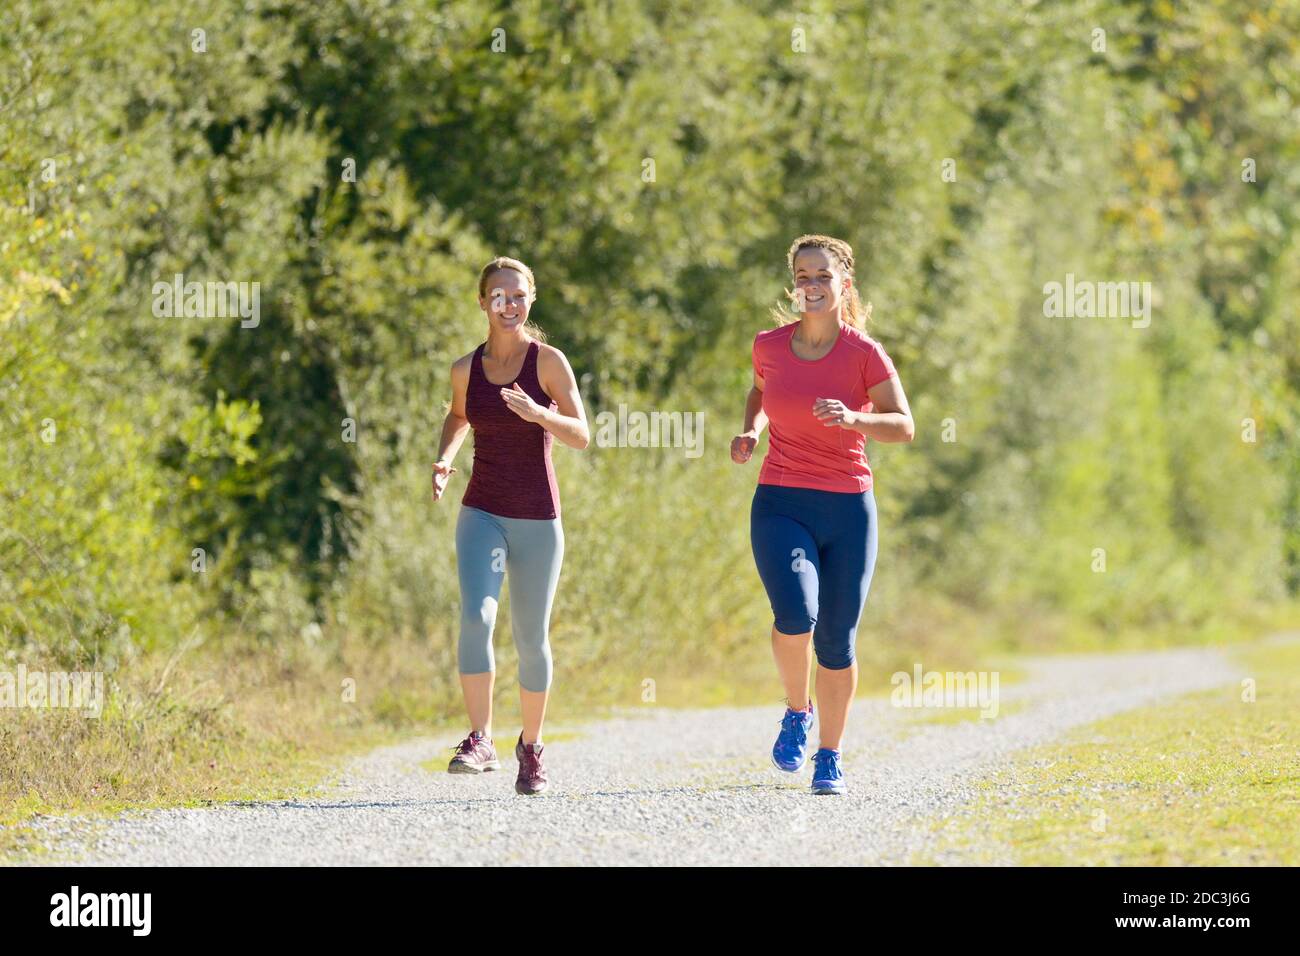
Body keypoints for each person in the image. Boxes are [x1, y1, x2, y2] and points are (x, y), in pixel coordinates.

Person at [732, 234, 915, 795]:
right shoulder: (769, 344)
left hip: (848, 508)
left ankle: (829, 756)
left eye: (822, 277)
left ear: (844, 285)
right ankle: (796, 711)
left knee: (836, 640)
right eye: (803, 277)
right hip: (782, 500)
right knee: (795, 615)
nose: (811, 287)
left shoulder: (864, 354)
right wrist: (751, 430)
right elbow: (761, 392)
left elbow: (903, 425)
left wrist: (855, 418)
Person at [431, 256, 589, 795]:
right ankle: (480, 738)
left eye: (518, 295)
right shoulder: (464, 369)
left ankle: (532, 748)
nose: (509, 304)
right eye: (498, 296)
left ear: (530, 300)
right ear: (483, 303)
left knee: (530, 638)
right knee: (477, 617)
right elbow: (458, 415)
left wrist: (539, 414)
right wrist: (446, 458)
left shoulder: (548, 363)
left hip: (538, 520)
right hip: (482, 511)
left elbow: (581, 435)